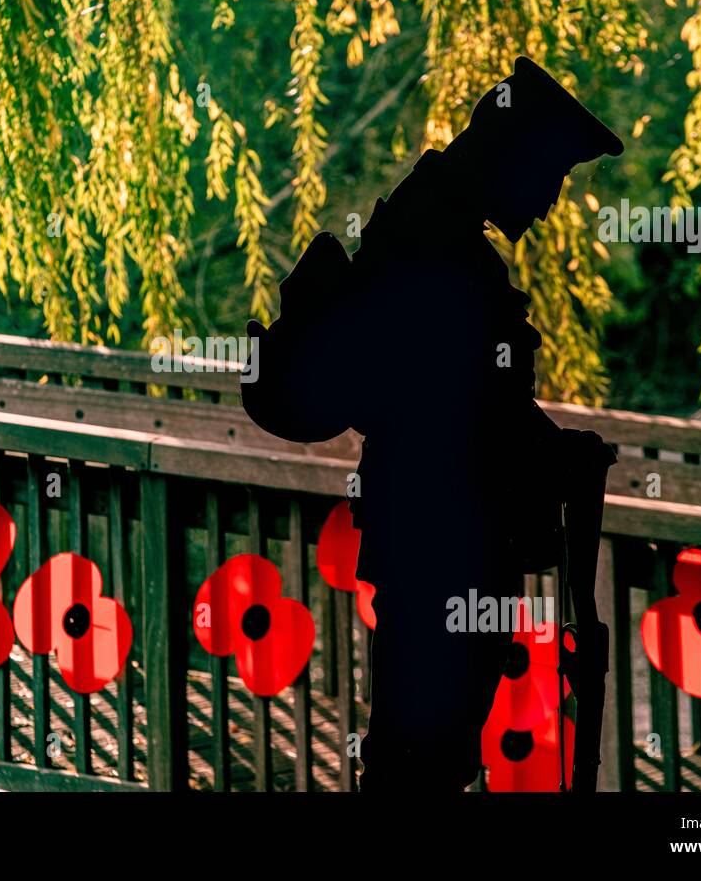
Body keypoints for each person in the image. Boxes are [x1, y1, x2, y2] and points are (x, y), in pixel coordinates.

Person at [240, 57, 621, 791]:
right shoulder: (440, 253)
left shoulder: (429, 235)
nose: (548, 203)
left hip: (437, 543)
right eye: (550, 177)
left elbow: (470, 403)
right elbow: (465, 413)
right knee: (424, 758)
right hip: (443, 549)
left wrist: (552, 448)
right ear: (515, 160)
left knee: (426, 753)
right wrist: (555, 454)